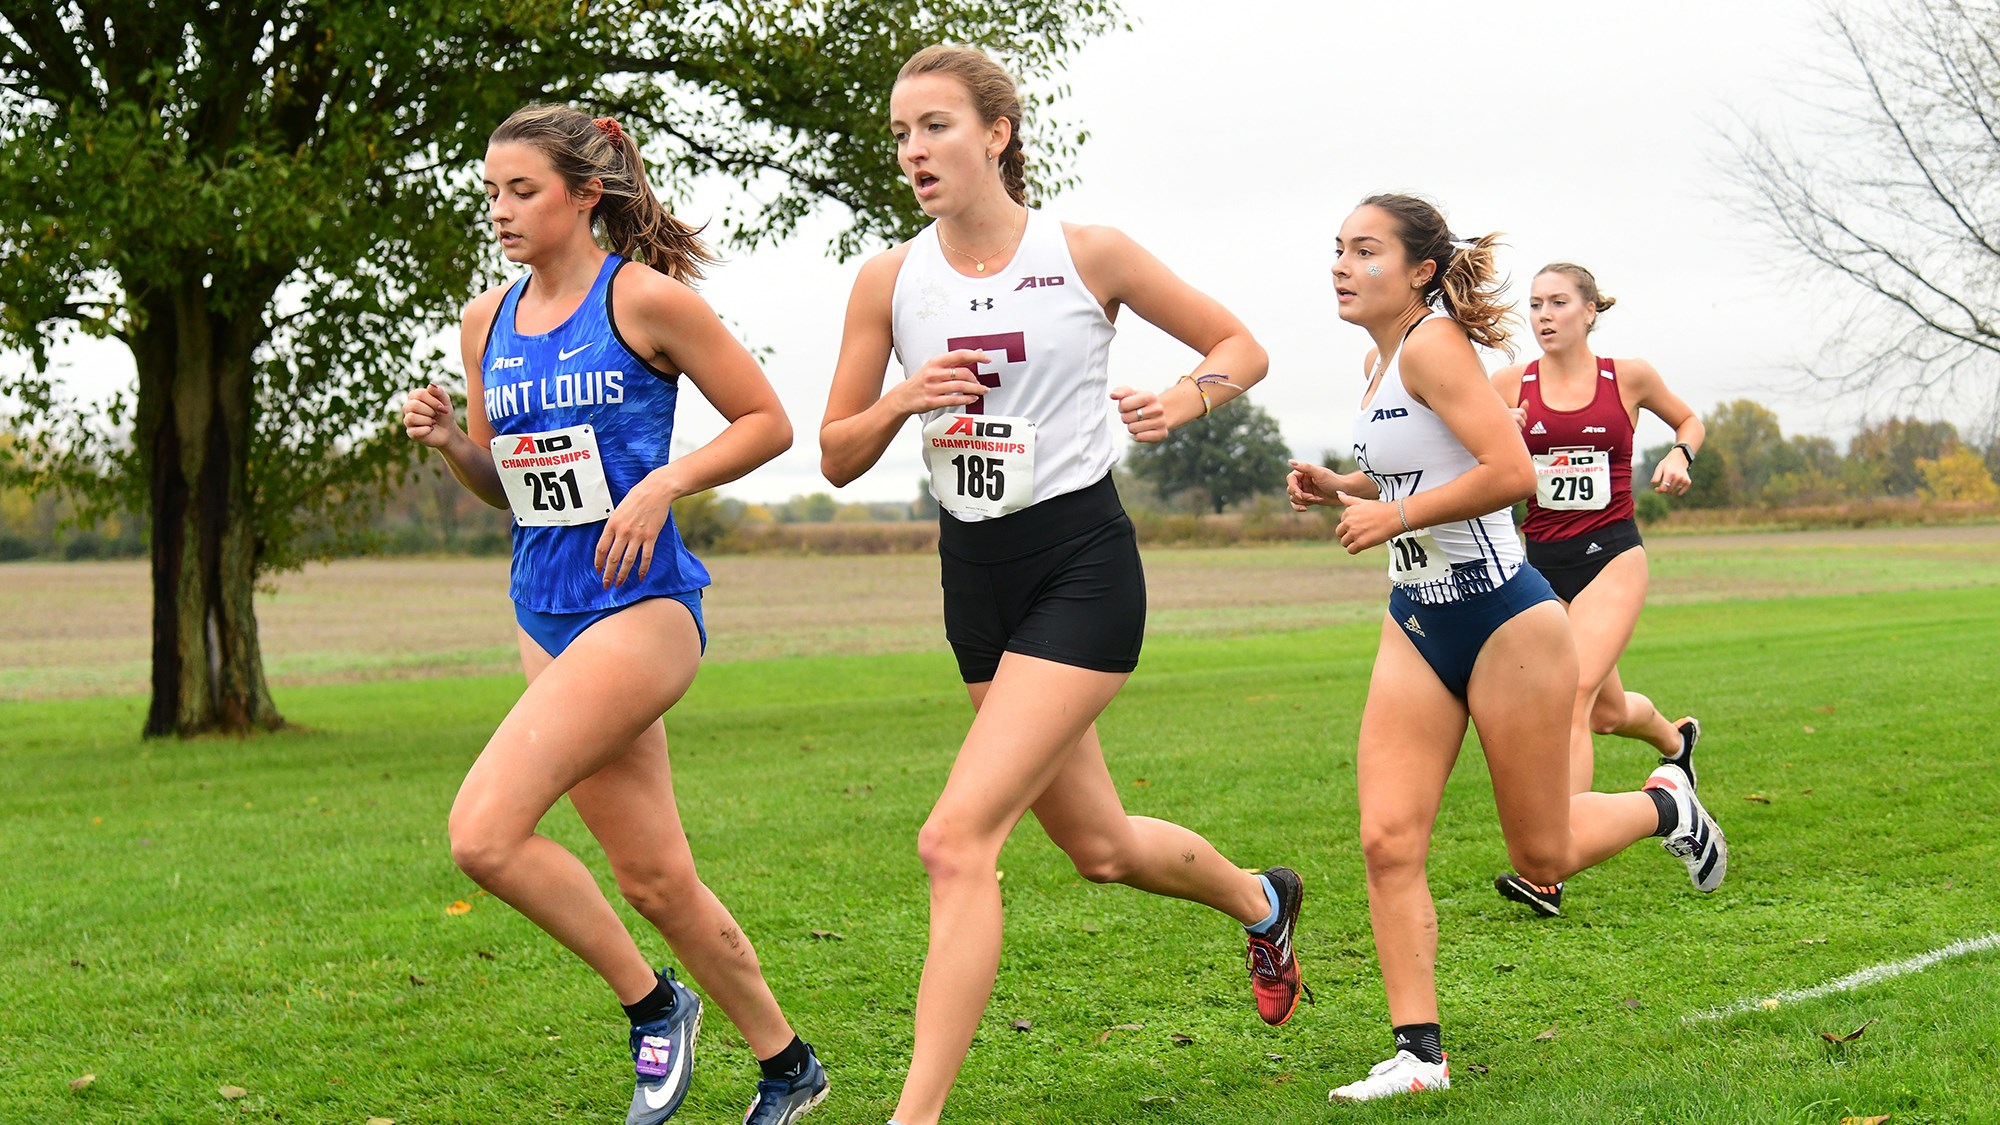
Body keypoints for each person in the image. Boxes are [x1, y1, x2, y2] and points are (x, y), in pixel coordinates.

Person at [818, 44, 1305, 1125]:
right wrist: (901, 402)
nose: (911, 151)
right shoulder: (888, 281)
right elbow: (835, 454)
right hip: (973, 578)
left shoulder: (1086, 253)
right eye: (900, 133)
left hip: (1080, 566)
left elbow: (1239, 344)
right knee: (1099, 847)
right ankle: (1261, 901)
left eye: (934, 126)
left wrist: (1184, 400)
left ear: (995, 133)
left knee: (954, 840)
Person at [399, 104, 828, 1125]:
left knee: (483, 835)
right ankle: (788, 1067)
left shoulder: (643, 299)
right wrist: (455, 445)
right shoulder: (485, 320)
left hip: (640, 607)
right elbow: (507, 486)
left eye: (523, 190)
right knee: (654, 878)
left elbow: (767, 421)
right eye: (491, 193)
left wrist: (662, 484)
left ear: (585, 193)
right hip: (541, 609)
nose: (501, 211)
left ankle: (652, 1004)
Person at [1283, 195, 1726, 1104]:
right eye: (1337, 249)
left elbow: (1511, 472)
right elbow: (1419, 465)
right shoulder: (1379, 358)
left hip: (1504, 620)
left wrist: (1394, 516)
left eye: (1364, 251)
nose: (1340, 265)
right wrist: (1341, 485)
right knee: (1386, 838)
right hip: (1417, 615)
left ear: (1419, 272)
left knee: (1543, 855)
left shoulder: (1437, 344)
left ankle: (1666, 803)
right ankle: (1419, 1055)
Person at [1487, 263, 1708, 917]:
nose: (1544, 315)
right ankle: (1676, 742)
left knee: (1573, 694)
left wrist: (1680, 454)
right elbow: (1471, 454)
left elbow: (1689, 420)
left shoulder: (1627, 377)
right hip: (1541, 563)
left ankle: (1551, 867)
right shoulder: (1509, 384)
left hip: (1613, 556)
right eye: (1535, 304)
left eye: (1558, 302)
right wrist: (1500, 428)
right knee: (1608, 711)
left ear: (1589, 310)